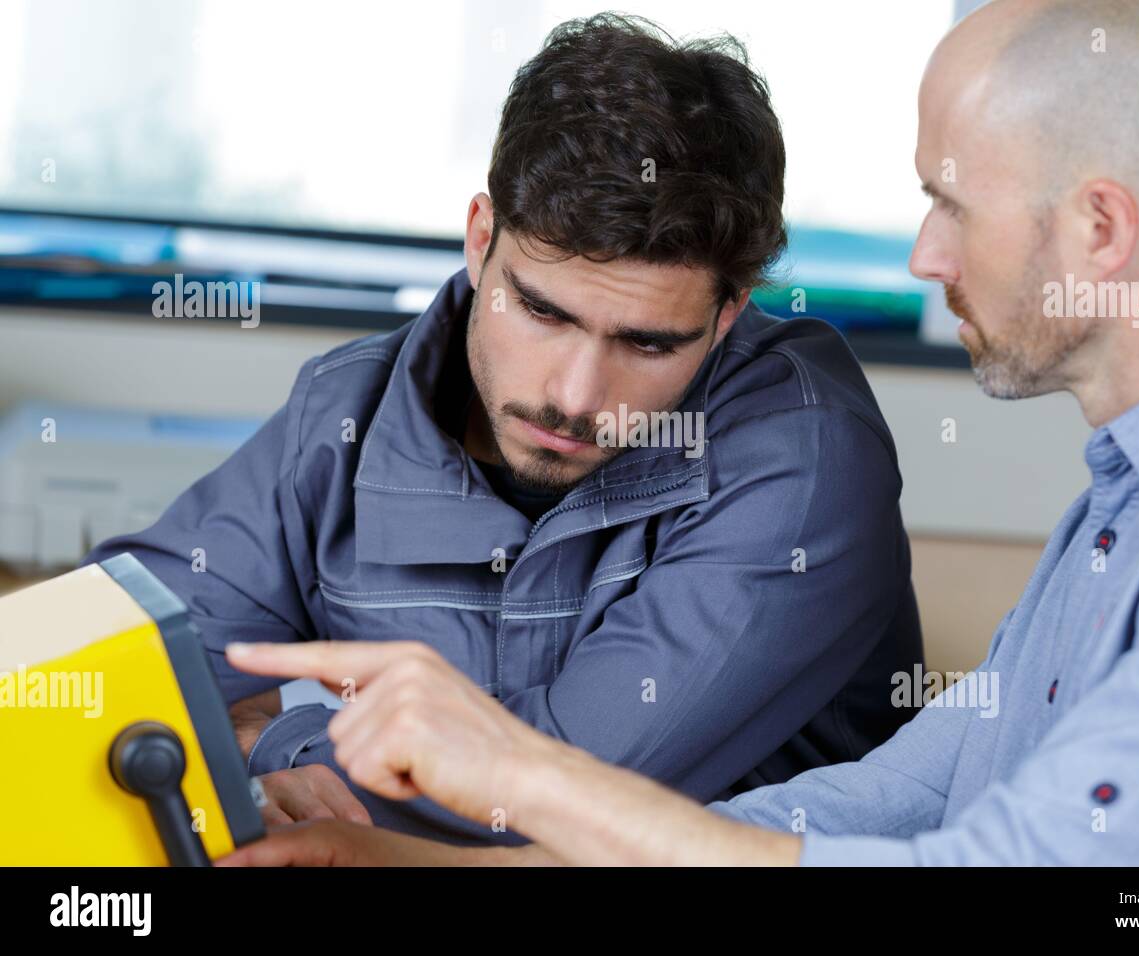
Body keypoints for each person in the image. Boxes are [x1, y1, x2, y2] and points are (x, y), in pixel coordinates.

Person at [219, 0, 1139, 866]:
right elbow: (903, 794)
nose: (926, 256)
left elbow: (1024, 859)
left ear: (1098, 228)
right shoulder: (1136, 493)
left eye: (951, 204)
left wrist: (520, 773)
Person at [80, 14, 923, 841]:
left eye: (647, 342)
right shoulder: (345, 411)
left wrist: (268, 741)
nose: (576, 394)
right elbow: (94, 668)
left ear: (730, 312)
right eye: (542, 311)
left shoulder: (808, 455)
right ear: (481, 240)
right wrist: (219, 734)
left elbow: (545, 796)